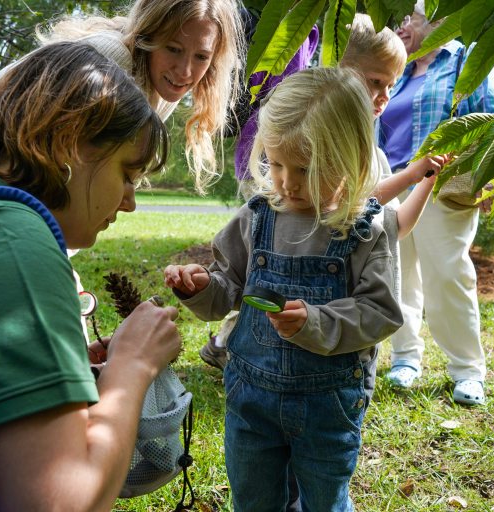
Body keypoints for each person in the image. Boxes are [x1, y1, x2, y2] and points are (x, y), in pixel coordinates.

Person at [0, 41, 182, 510]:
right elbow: (63, 501)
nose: (129, 201)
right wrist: (133, 365)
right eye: (126, 173)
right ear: (70, 145)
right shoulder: (12, 241)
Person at [164, 67, 403, 511]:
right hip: (252, 402)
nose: (287, 182)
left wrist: (317, 322)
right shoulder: (256, 219)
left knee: (324, 501)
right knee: (254, 498)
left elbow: (380, 310)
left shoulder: (366, 229)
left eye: (306, 169)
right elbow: (227, 290)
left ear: (349, 157)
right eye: (275, 164)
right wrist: (199, 287)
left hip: (328, 407)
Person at [0, 0, 244, 194]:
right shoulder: (112, 62)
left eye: (201, 57)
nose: (185, 71)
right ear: (148, 37)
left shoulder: (161, 84)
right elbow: (61, 171)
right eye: (173, 48)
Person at [378, 0, 494, 405]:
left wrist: (491, 180)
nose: (399, 26)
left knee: (448, 274)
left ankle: (468, 370)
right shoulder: (397, 72)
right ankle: (404, 358)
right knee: (396, 275)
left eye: (408, 19)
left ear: (434, 21)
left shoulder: (467, 59)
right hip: (393, 181)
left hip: (442, 183)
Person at [199, 20, 320, 371]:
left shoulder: (308, 26)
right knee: (266, 259)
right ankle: (232, 342)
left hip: (279, 153)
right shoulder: (280, 24)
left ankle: (228, 341)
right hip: (266, 155)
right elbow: (229, 276)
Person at [339, 12, 451, 301]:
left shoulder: (375, 156)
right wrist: (411, 174)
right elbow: (347, 203)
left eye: (391, 85)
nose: (384, 95)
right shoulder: (327, 142)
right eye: (376, 81)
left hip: (356, 300)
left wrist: (428, 178)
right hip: (323, 293)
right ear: (339, 70)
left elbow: (397, 224)